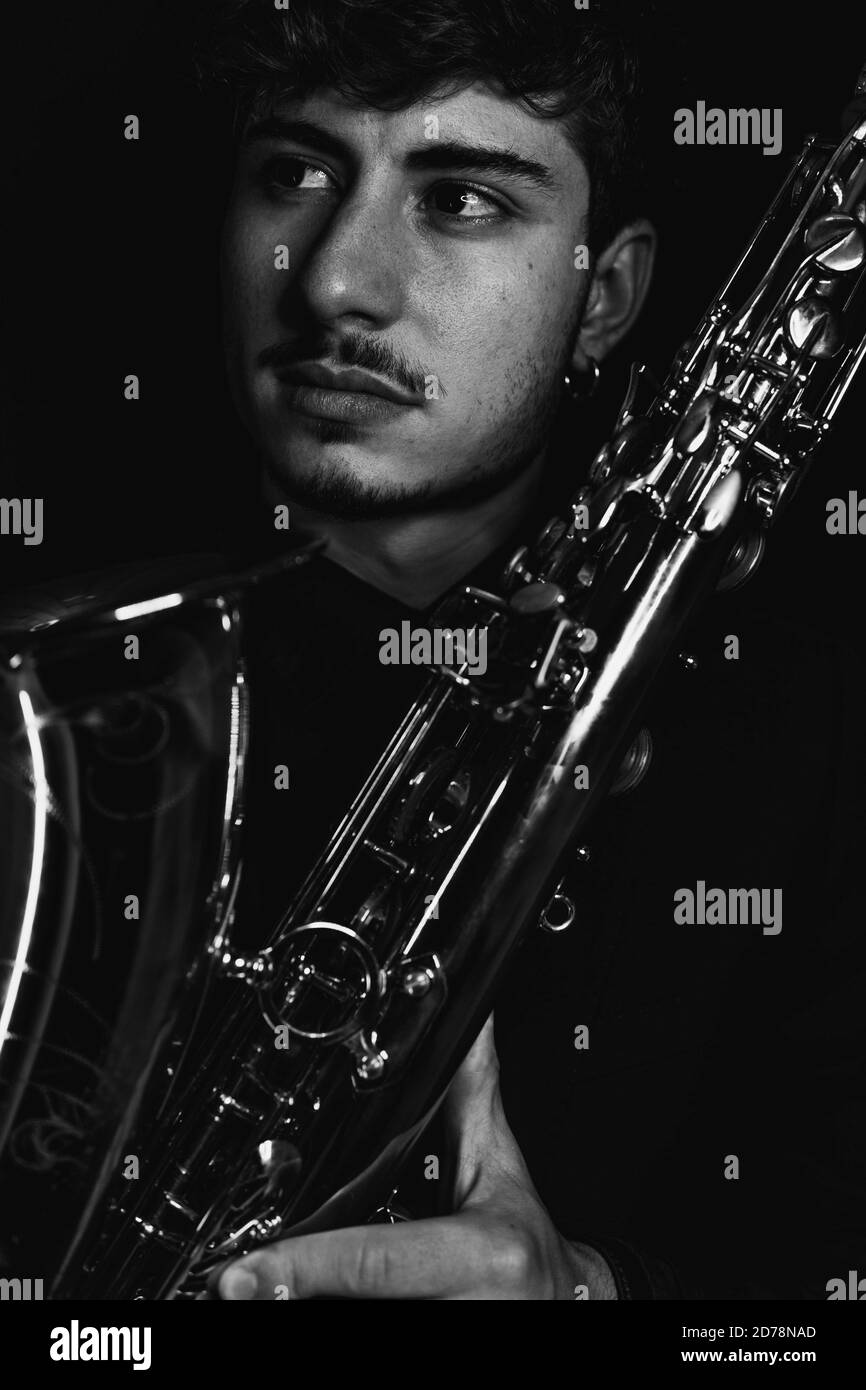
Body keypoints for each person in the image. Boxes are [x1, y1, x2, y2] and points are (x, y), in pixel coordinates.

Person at [196, 0, 866, 1300]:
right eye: (295, 174)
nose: (333, 282)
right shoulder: (53, 695)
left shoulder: (817, 738)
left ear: (603, 296)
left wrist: (594, 1294)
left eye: (460, 200)